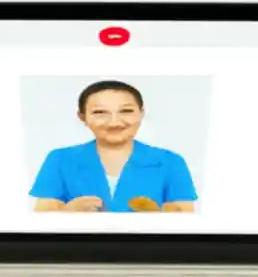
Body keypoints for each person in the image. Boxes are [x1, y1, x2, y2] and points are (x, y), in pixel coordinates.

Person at [29, 80, 197, 213]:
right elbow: (42, 216)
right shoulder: (60, 159)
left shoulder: (170, 162)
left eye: (126, 111)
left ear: (141, 113)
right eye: (100, 113)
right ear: (82, 117)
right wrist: (68, 212)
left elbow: (185, 219)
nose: (114, 122)